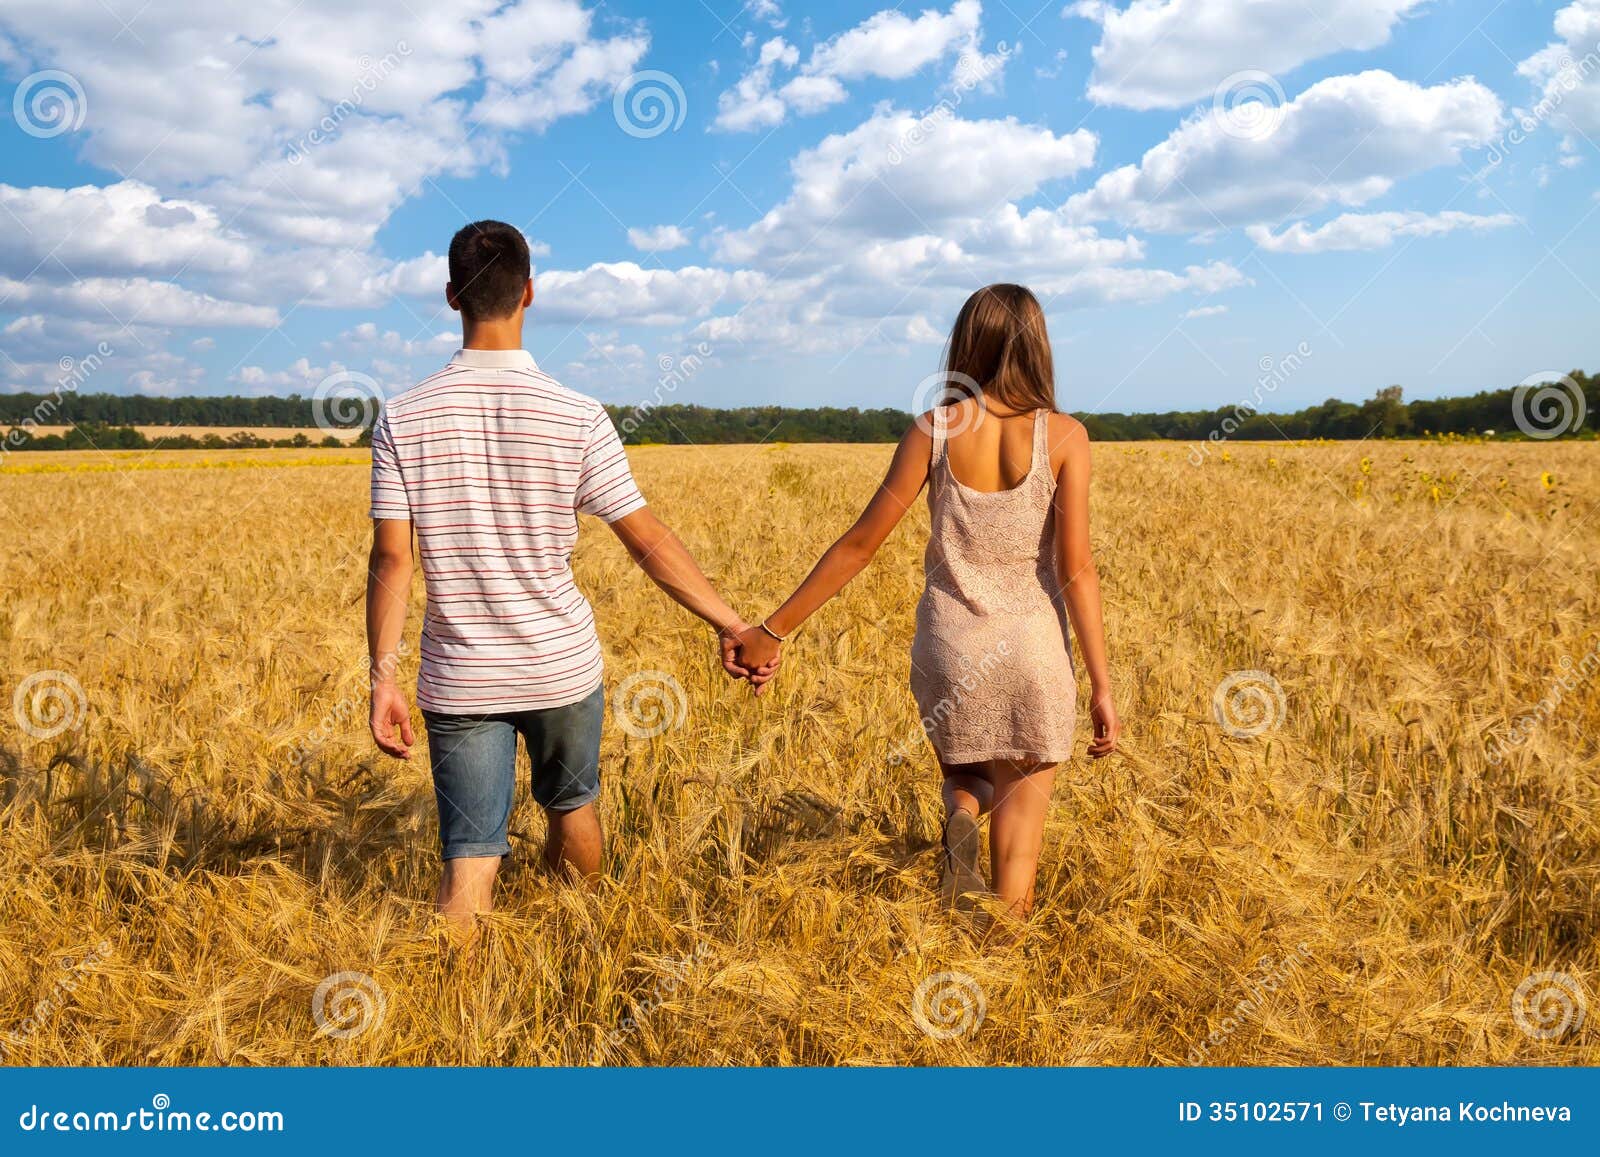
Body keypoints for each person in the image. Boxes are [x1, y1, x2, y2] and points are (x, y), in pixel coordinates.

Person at [365, 219, 771, 933]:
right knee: (574, 807)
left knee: (470, 854)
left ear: (451, 296)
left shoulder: (403, 418)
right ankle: (580, 945)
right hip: (560, 665)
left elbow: (393, 559)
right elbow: (645, 537)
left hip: (461, 676)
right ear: (529, 292)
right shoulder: (578, 415)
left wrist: (383, 677)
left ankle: (455, 1018)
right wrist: (733, 623)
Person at [729, 284, 1120, 921]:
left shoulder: (935, 430)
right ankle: (998, 951)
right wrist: (1101, 684)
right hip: (1033, 650)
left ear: (967, 344)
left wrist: (774, 628)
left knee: (966, 767)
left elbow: (859, 544)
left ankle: (960, 814)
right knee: (1018, 840)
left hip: (951, 645)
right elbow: (1076, 568)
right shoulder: (1067, 436)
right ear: (1039, 347)